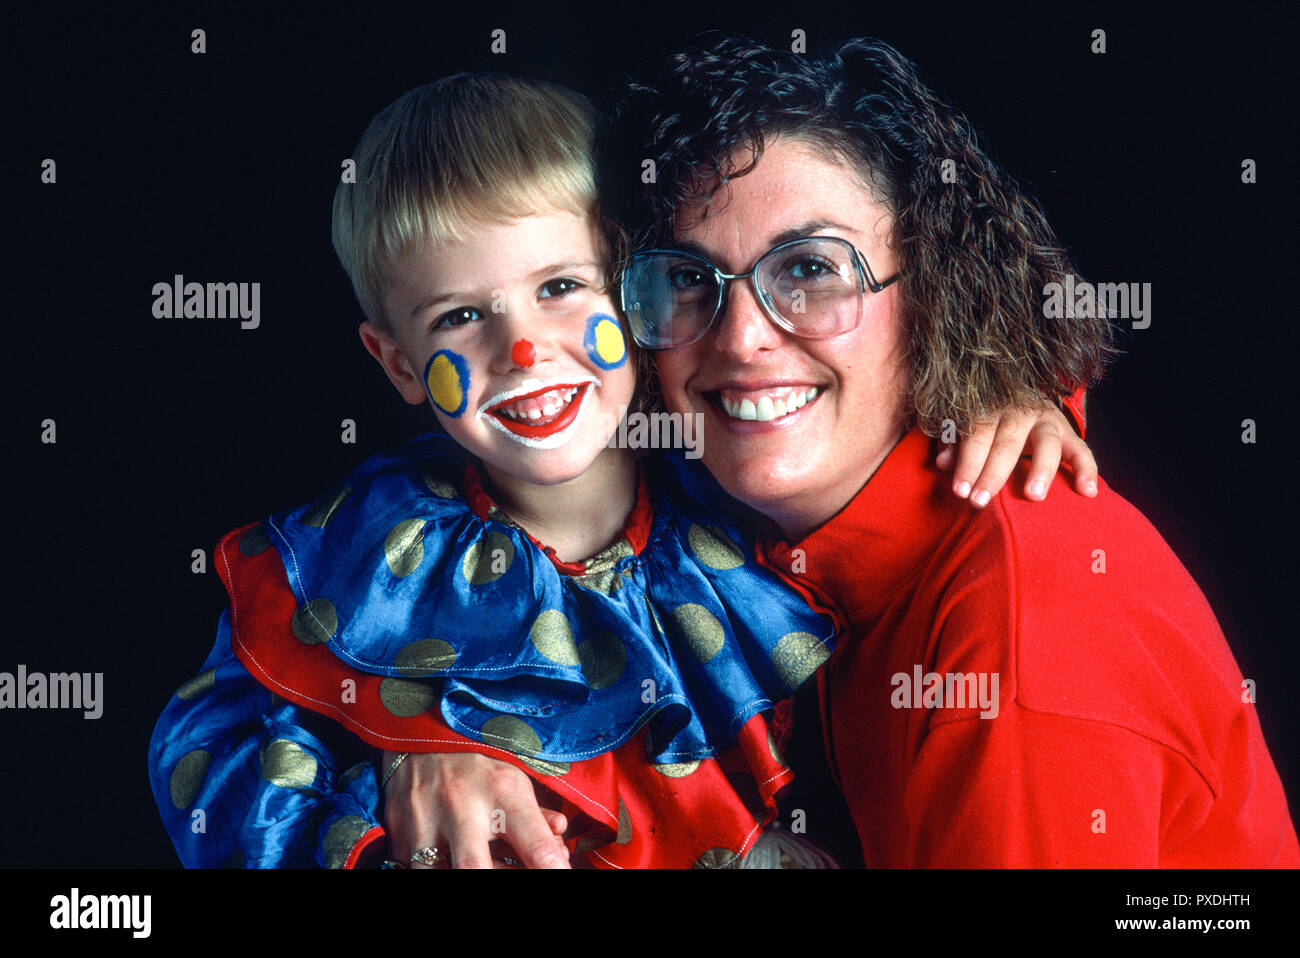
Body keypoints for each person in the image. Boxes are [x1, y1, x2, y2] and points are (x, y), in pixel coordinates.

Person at [146, 69, 1096, 870]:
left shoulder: (727, 457)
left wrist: (1016, 393)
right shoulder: (361, 553)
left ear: (636, 288)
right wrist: (397, 760)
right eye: (458, 318)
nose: (524, 352)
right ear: (396, 363)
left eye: (560, 288)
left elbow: (889, 427)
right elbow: (203, 755)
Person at [422, 33, 1298, 867]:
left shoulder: (1013, 655)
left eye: (809, 268)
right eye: (689, 279)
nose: (742, 340)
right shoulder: (718, 505)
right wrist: (426, 737)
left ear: (935, 288)